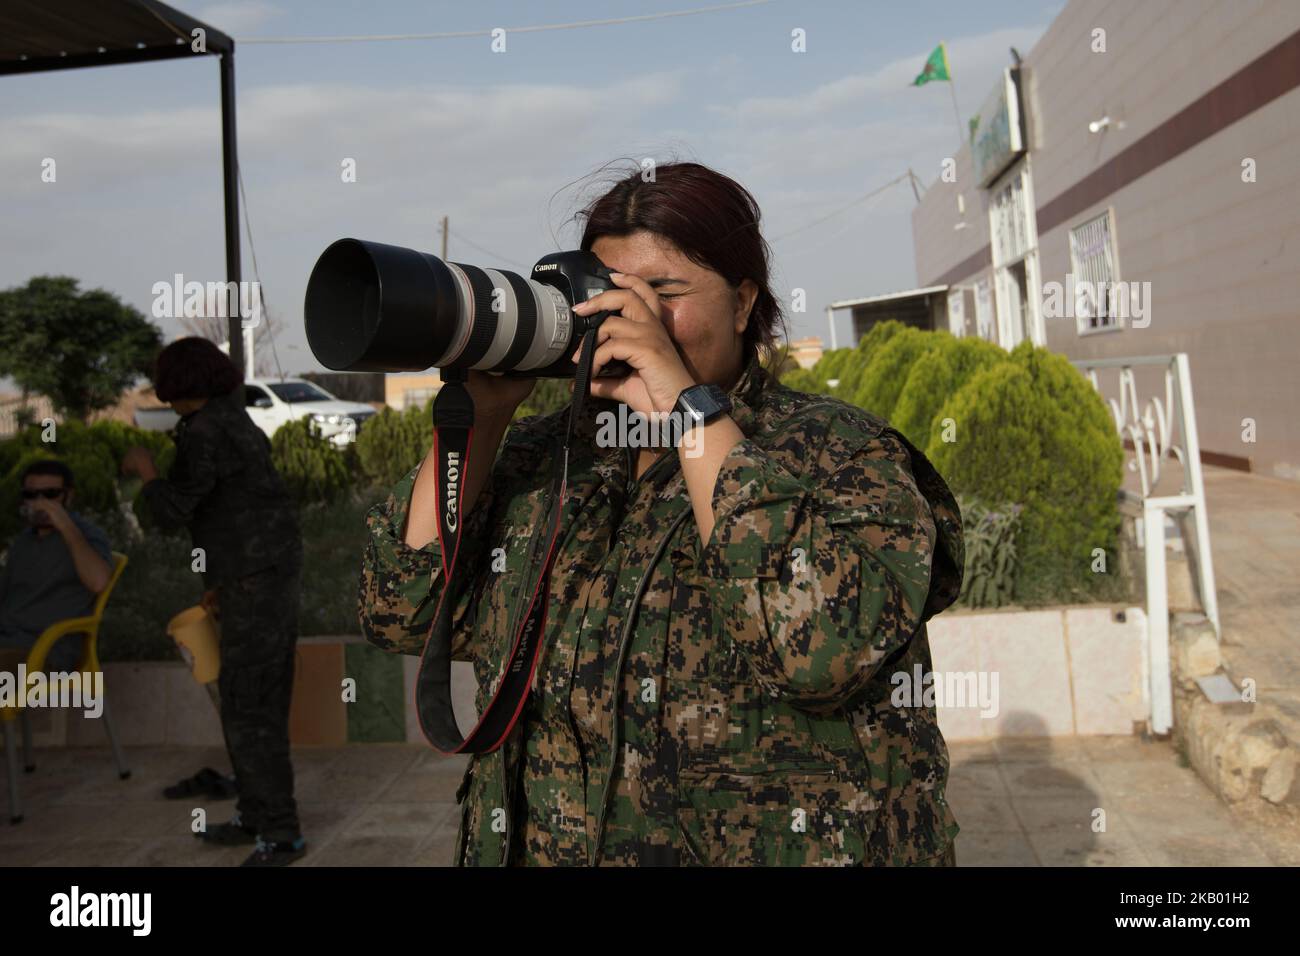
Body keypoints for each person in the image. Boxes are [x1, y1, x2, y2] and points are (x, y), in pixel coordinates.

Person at [359, 161, 965, 866]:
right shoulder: (542, 460)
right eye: (612, 294)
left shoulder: (838, 454)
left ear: (742, 304)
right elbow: (398, 610)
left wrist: (690, 411)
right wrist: (486, 419)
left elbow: (820, 649)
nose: (633, 318)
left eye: (665, 293)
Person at [121, 337, 306, 867]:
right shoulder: (231, 419)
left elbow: (175, 510)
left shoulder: (206, 431)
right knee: (249, 698)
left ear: (181, 384)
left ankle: (281, 832)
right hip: (255, 576)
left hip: (255, 581)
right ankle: (255, 815)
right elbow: (231, 509)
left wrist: (147, 473)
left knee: (252, 707)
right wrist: (220, 579)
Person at [0, 460, 114, 673]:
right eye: (31, 495)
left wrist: (63, 523)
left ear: (68, 497)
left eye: (50, 495)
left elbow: (99, 581)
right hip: (7, 641)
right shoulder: (24, 541)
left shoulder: (85, 535)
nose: (41, 503)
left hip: (45, 650)